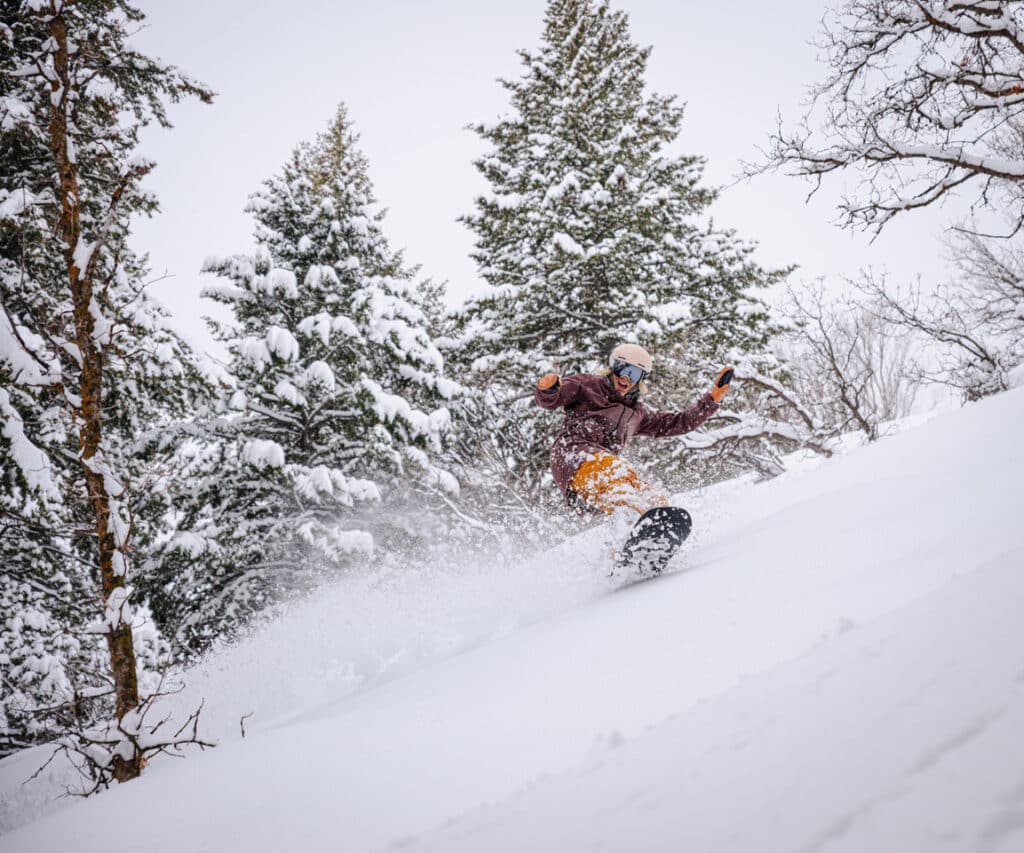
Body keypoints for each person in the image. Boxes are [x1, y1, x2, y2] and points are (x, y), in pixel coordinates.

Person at [534, 343, 732, 516]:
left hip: (600, 478)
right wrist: (549, 391)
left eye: (635, 374)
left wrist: (712, 401)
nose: (627, 378)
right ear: (613, 368)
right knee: (617, 472)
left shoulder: (637, 414)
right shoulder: (588, 385)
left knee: (651, 498)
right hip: (572, 455)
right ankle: (630, 514)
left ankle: (642, 540)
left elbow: (678, 422)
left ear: (640, 379)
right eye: (623, 369)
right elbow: (555, 397)